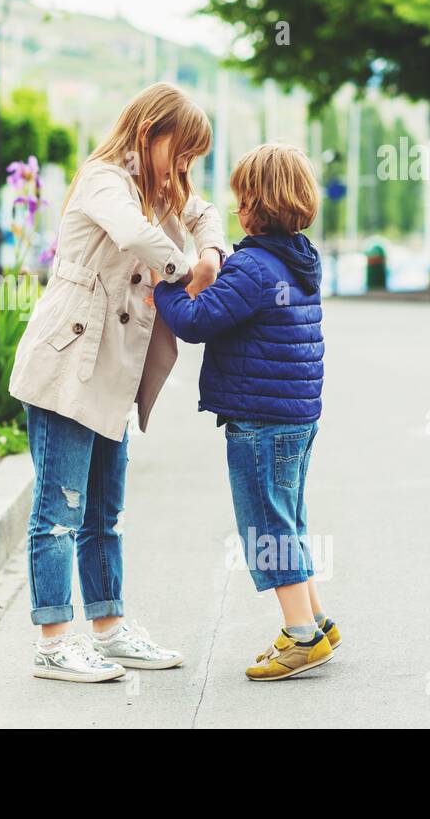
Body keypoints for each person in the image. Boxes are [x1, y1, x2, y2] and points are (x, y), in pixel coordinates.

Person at [8, 82, 226, 682]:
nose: (184, 168)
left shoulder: (159, 191)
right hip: (67, 366)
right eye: (180, 152)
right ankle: (54, 641)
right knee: (60, 509)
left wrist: (210, 248)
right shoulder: (105, 178)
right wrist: (188, 272)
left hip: (112, 374)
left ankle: (108, 629)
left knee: (105, 511)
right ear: (151, 130)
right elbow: (133, 236)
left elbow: (203, 213)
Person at [153, 143, 341, 682]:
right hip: (296, 416)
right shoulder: (299, 257)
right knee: (288, 519)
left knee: (266, 527)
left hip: (261, 421)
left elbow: (193, 321)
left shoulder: (255, 267)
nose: (237, 208)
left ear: (257, 203)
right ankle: (316, 620)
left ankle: (302, 637)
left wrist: (164, 285)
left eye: (241, 198)